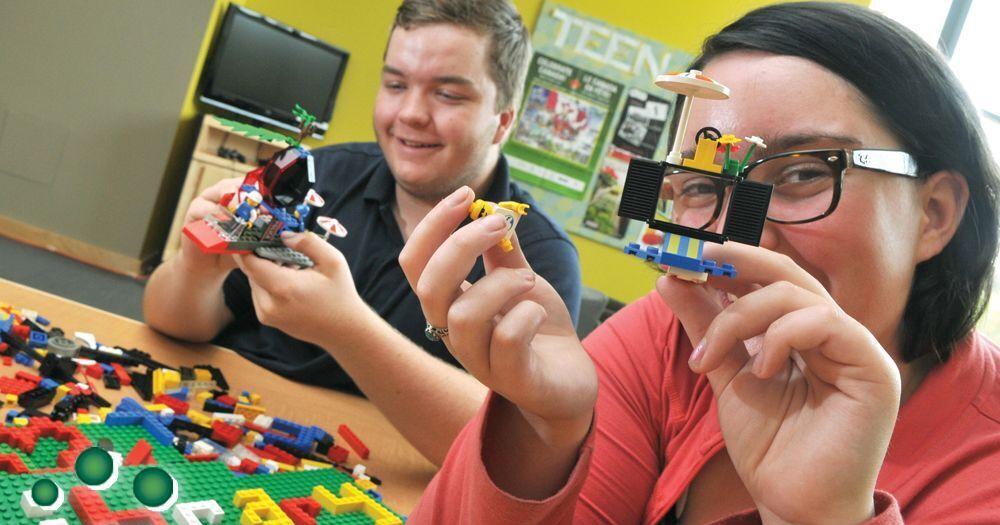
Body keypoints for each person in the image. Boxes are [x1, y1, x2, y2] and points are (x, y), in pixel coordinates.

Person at [400, 2, 1000, 523]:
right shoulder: (673, 337)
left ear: (935, 213)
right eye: (698, 186)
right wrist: (544, 432)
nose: (738, 242)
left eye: (803, 174)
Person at [143, 0, 581, 466]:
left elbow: (512, 449)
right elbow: (173, 322)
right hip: (221, 428)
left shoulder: (533, 257)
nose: (410, 113)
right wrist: (196, 266)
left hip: (374, 470)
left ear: (503, 121)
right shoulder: (316, 176)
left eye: (448, 95)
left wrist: (348, 330)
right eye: (395, 84)